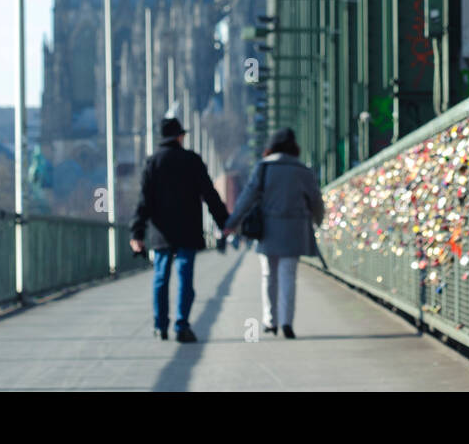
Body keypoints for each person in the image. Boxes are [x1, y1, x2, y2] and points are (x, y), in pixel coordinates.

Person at [130, 116, 230, 343]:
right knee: (185, 277)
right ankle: (182, 325)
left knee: (161, 277)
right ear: (179, 137)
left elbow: (143, 201)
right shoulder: (192, 160)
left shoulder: (152, 162)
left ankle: (160, 325)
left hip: (160, 231)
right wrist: (224, 222)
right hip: (187, 228)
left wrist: (137, 233)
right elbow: (210, 195)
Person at [222, 127, 324, 339]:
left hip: (268, 229)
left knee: (269, 275)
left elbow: (247, 198)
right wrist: (318, 221)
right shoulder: (303, 171)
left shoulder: (264, 168)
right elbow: (316, 200)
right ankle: (287, 322)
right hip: (295, 229)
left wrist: (232, 223)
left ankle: (271, 320)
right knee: (288, 275)